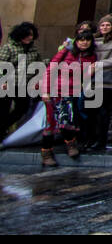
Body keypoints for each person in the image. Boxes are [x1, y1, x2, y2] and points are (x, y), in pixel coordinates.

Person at [39, 29, 97, 167]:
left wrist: (91, 72)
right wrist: (45, 91)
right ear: (76, 41)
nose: (84, 42)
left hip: (72, 92)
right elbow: (50, 70)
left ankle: (71, 144)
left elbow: (85, 77)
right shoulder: (66, 52)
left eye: (87, 40)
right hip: (55, 91)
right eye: (81, 39)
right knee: (51, 123)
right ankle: (46, 152)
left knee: (67, 121)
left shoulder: (91, 57)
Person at [89, 15, 112, 149]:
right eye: (102, 25)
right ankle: (92, 138)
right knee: (93, 110)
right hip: (93, 79)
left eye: (107, 25)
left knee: (104, 111)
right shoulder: (93, 39)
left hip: (109, 80)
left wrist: (97, 64)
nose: (105, 27)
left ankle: (101, 139)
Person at [0, 22, 40, 138]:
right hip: (8, 84)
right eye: (26, 35)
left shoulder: (33, 50)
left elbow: (39, 64)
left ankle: (3, 128)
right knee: (3, 110)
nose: (29, 38)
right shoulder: (9, 48)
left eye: (31, 35)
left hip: (23, 85)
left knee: (22, 108)